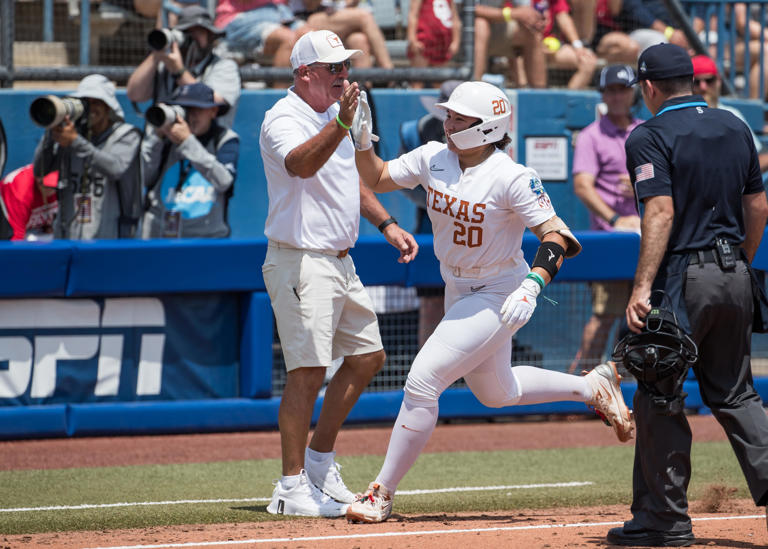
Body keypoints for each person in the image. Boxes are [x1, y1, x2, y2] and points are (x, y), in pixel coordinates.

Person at [345, 80, 634, 523]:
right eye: (450, 115)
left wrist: (533, 284)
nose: (449, 123)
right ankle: (591, 386)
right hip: (457, 286)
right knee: (496, 392)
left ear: (486, 127)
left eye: (460, 118)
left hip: (501, 289)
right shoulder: (433, 156)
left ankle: (380, 493)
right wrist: (362, 141)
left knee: (422, 382)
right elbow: (377, 177)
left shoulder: (512, 176)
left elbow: (558, 235)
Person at [608, 43, 768, 546]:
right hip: (735, 271)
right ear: (693, 82)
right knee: (736, 392)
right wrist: (738, 259)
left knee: (659, 391)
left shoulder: (648, 135)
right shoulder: (735, 126)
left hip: (683, 277)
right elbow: (758, 207)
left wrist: (640, 287)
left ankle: (663, 518)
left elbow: (659, 213)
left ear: (650, 87)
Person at [259, 30, 419, 517]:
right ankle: (289, 487)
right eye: (333, 68)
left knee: (369, 357)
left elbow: (349, 180)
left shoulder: (335, 112)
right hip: (300, 258)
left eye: (345, 67)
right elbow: (302, 165)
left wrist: (386, 223)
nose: (343, 75)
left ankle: (319, 463)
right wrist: (344, 121)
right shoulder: (281, 117)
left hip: (338, 259)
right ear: (304, 73)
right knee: (306, 371)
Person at [568, 64, 642, 374]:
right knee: (604, 317)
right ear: (602, 94)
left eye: (622, 89)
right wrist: (614, 218)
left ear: (633, 92)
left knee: (646, 315)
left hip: (645, 239)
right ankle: (575, 390)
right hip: (610, 241)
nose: (616, 96)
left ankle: (638, 388)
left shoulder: (643, 130)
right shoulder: (591, 135)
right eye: (610, 90)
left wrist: (638, 184)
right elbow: (583, 186)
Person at [33, 74, 142, 240]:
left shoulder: (127, 135)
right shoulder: (72, 136)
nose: (91, 109)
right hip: (70, 236)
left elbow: (115, 168)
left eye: (96, 102)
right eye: (86, 103)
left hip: (111, 238)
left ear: (108, 107)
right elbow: (41, 169)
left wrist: (76, 142)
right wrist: (50, 132)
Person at [399, 80, 463, 346]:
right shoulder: (415, 132)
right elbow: (405, 184)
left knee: (470, 302)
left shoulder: (487, 135)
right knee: (431, 302)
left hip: (471, 229)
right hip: (429, 226)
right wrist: (441, 201)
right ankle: (425, 369)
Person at [141, 82, 239, 238]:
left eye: (197, 109)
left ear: (213, 111)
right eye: (186, 109)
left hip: (206, 241)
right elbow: (143, 177)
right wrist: (156, 139)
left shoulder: (225, 139)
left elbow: (224, 181)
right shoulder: (165, 139)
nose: (190, 115)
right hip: (160, 237)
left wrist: (187, 142)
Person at [127, 4, 241, 128]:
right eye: (186, 32)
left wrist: (179, 71)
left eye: (198, 32)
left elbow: (215, 103)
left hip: (204, 144)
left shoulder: (224, 66)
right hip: (164, 143)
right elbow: (135, 94)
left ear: (210, 36)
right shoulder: (165, 63)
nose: (191, 39)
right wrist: (157, 53)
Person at [691, 54, 768, 173]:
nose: (703, 87)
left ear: (718, 81)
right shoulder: (682, 117)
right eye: (697, 82)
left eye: (709, 80)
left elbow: (755, 159)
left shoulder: (732, 114)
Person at [290, 0, 395, 71]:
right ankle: (390, 74)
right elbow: (310, 5)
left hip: (338, 18)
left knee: (359, 40)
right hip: (308, 18)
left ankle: (361, 93)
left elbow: (346, 4)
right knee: (364, 16)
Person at [214, 0, 307, 78]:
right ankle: (279, 97)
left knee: (309, 36)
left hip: (280, 12)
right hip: (239, 18)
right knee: (288, 39)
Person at [473, 0, 547, 87]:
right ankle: (474, 87)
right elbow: (471, 10)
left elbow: (524, 9)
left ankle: (539, 94)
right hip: (464, 32)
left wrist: (533, 20)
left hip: (498, 27)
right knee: (481, 25)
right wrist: (512, 14)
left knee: (532, 32)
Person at [406, 0, 462, 88]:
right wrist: (412, 40)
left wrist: (456, 41)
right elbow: (413, 14)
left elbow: (455, 19)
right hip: (422, 44)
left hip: (442, 47)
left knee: (441, 84)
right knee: (417, 81)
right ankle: (415, 100)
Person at [0, 165, 58, 241]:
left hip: (37, 233)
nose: (50, 190)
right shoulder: (20, 193)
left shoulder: (65, 188)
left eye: (53, 187)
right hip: (10, 229)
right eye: (46, 186)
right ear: (37, 179)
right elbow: (16, 241)